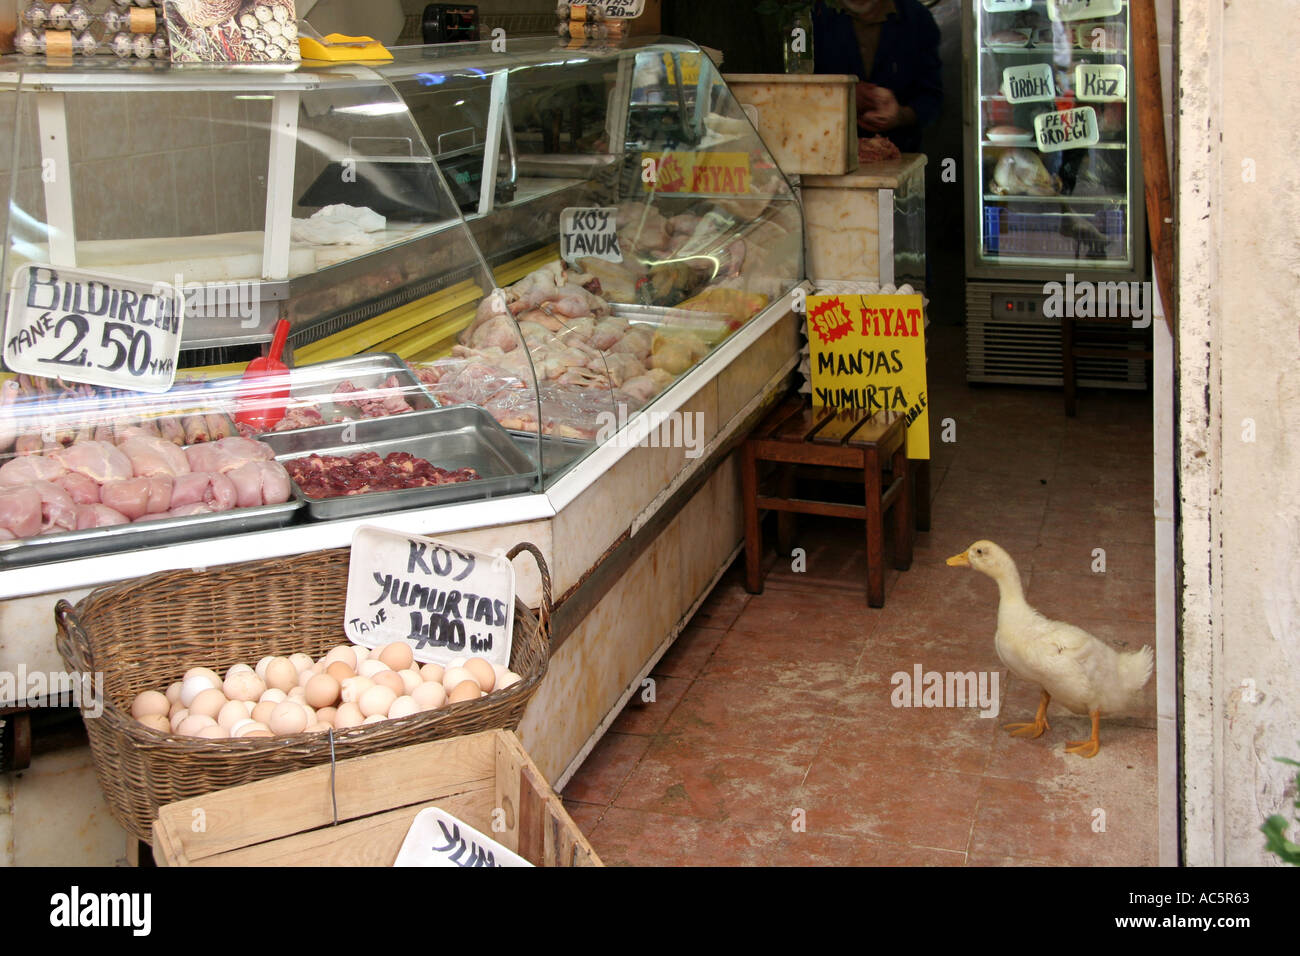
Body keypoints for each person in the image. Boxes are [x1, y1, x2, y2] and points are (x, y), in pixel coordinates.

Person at [813, 0, 943, 154]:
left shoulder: (916, 18)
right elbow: (788, 91)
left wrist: (901, 115)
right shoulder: (812, 15)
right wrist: (840, 95)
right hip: (825, 153)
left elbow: (932, 96)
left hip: (898, 157)